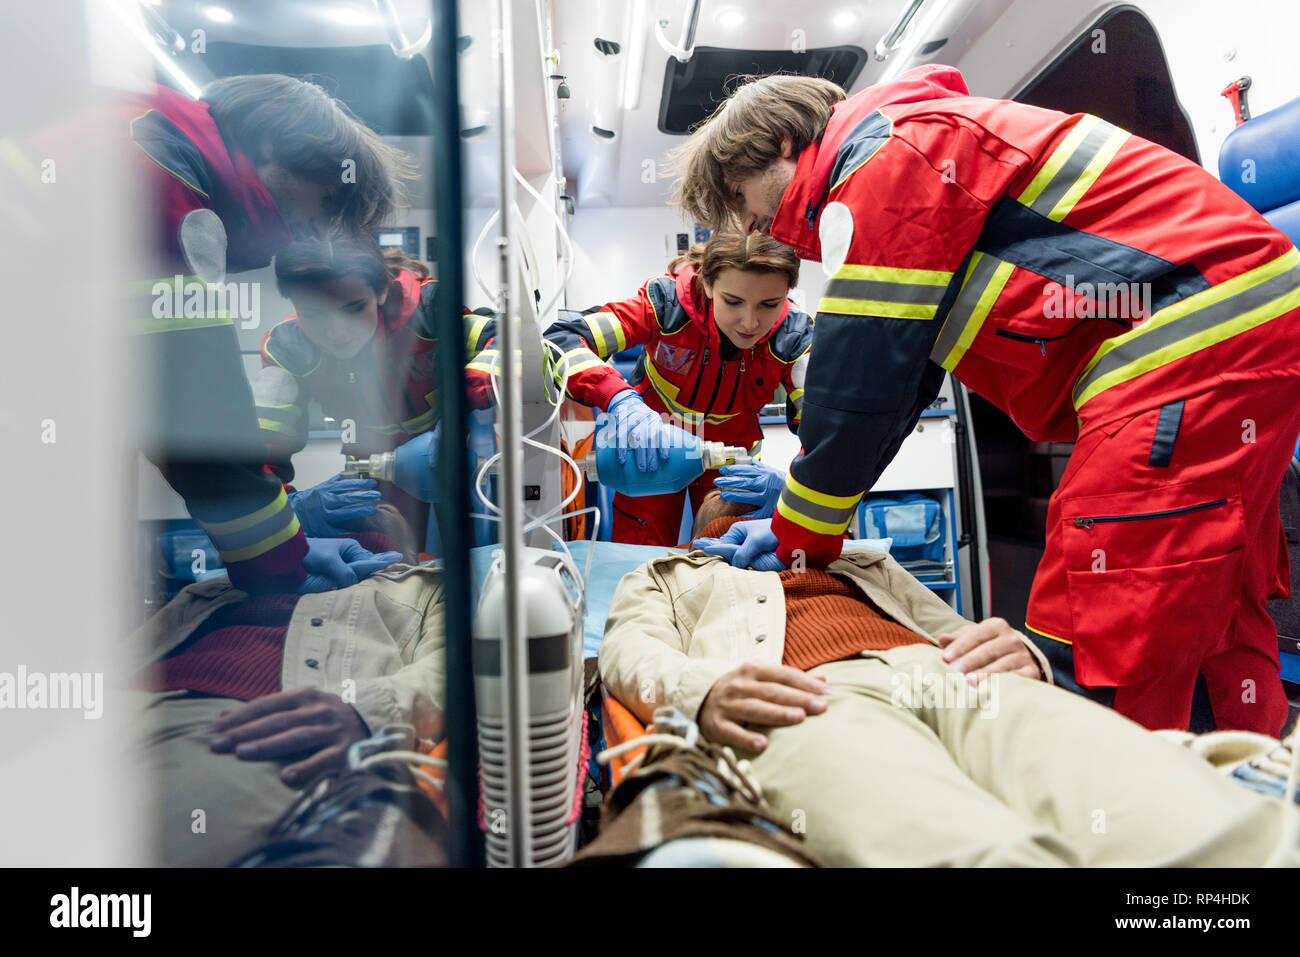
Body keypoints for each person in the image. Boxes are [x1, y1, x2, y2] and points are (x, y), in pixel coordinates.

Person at [669, 63, 1300, 734]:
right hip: (1236, 317)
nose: (749, 221)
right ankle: (1243, 774)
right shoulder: (914, 142)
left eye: (740, 196)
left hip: (1192, 330)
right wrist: (807, 523)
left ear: (780, 148)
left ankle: (1105, 782)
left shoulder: (881, 161)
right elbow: (898, 382)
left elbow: (859, 381)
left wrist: (799, 530)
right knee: (1210, 590)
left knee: (1107, 588)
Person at [599, 513, 1295, 866]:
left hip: (951, 674)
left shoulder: (861, 558)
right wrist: (709, 687)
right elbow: (626, 653)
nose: (736, 518)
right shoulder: (667, 577)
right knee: (963, 843)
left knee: (1166, 804)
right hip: (803, 695)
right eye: (721, 511)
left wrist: (1025, 650)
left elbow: (957, 627)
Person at [120, 74, 418, 592]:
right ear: (272, 148)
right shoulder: (164, 174)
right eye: (325, 204)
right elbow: (195, 411)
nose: (311, 231)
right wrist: (281, 558)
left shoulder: (144, 129)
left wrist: (289, 542)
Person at [468, 229, 813, 546]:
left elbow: (826, 429)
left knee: (725, 553)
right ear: (707, 284)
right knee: (638, 554)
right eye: (733, 302)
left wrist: (798, 483)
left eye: (770, 304)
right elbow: (563, 340)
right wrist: (620, 401)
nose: (750, 322)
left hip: (732, 462)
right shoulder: (665, 307)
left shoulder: (795, 337)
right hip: (652, 447)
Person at [128, 528, 442, 867]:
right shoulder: (220, 585)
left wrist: (364, 712)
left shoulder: (427, 586)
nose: (363, 494)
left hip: (246, 727)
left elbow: (450, 670)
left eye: (384, 503)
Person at [256, 238, 496, 550]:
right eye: (313, 314)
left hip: (456, 462)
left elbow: (504, 342)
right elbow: (261, 450)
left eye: (353, 309)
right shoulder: (287, 349)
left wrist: (462, 408)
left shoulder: (431, 309)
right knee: (385, 563)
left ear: (381, 291)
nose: (336, 332)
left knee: (472, 559)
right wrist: (288, 505)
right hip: (372, 472)